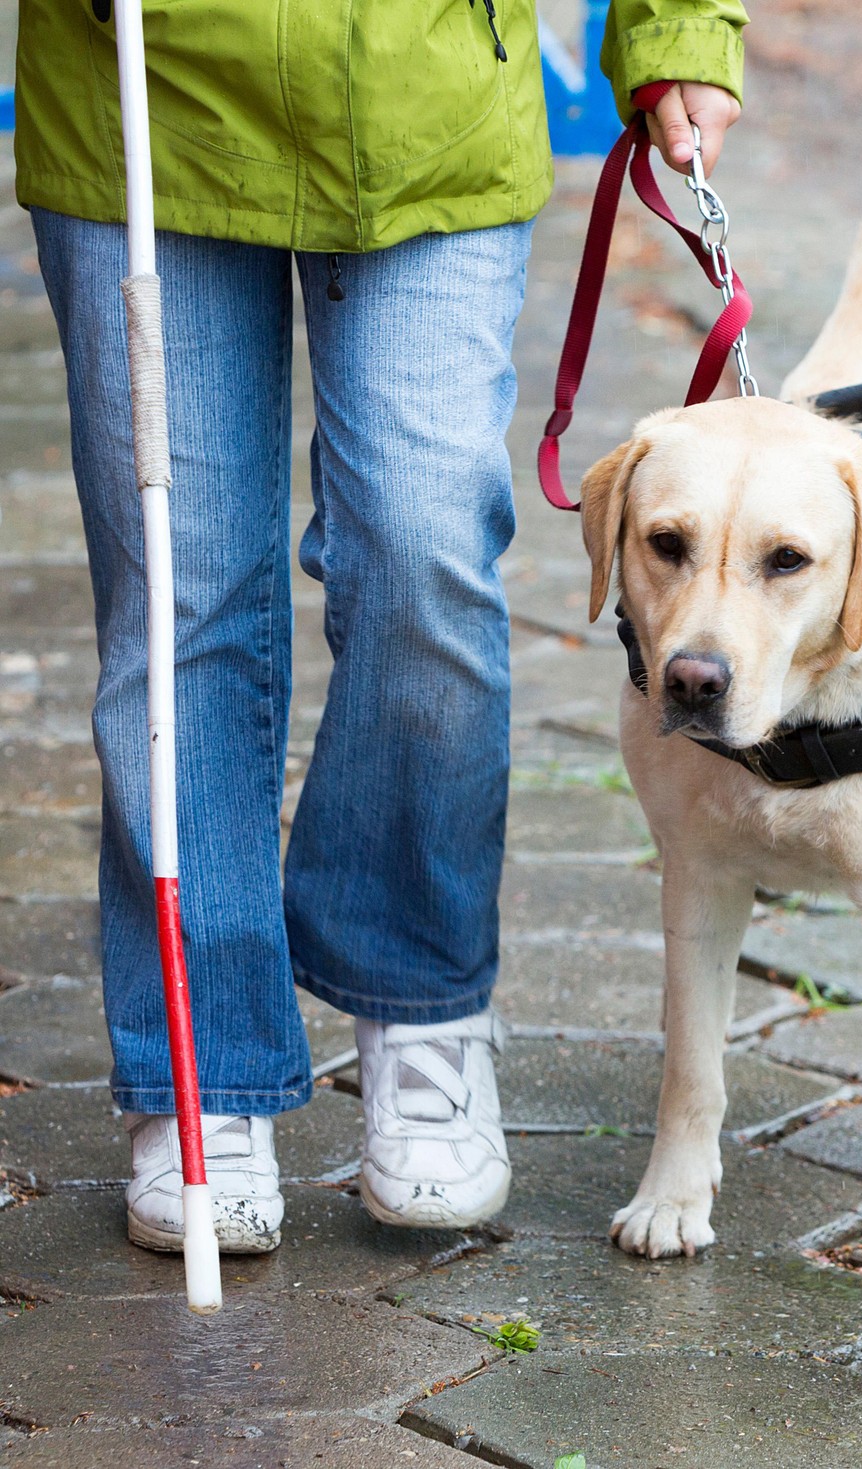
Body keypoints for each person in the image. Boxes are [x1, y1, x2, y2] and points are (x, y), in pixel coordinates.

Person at [13, 0, 745, 1253]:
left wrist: (678, 26)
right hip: (143, 91)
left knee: (425, 545)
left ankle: (421, 1003)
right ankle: (202, 1062)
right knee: (182, 588)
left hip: (427, 97)